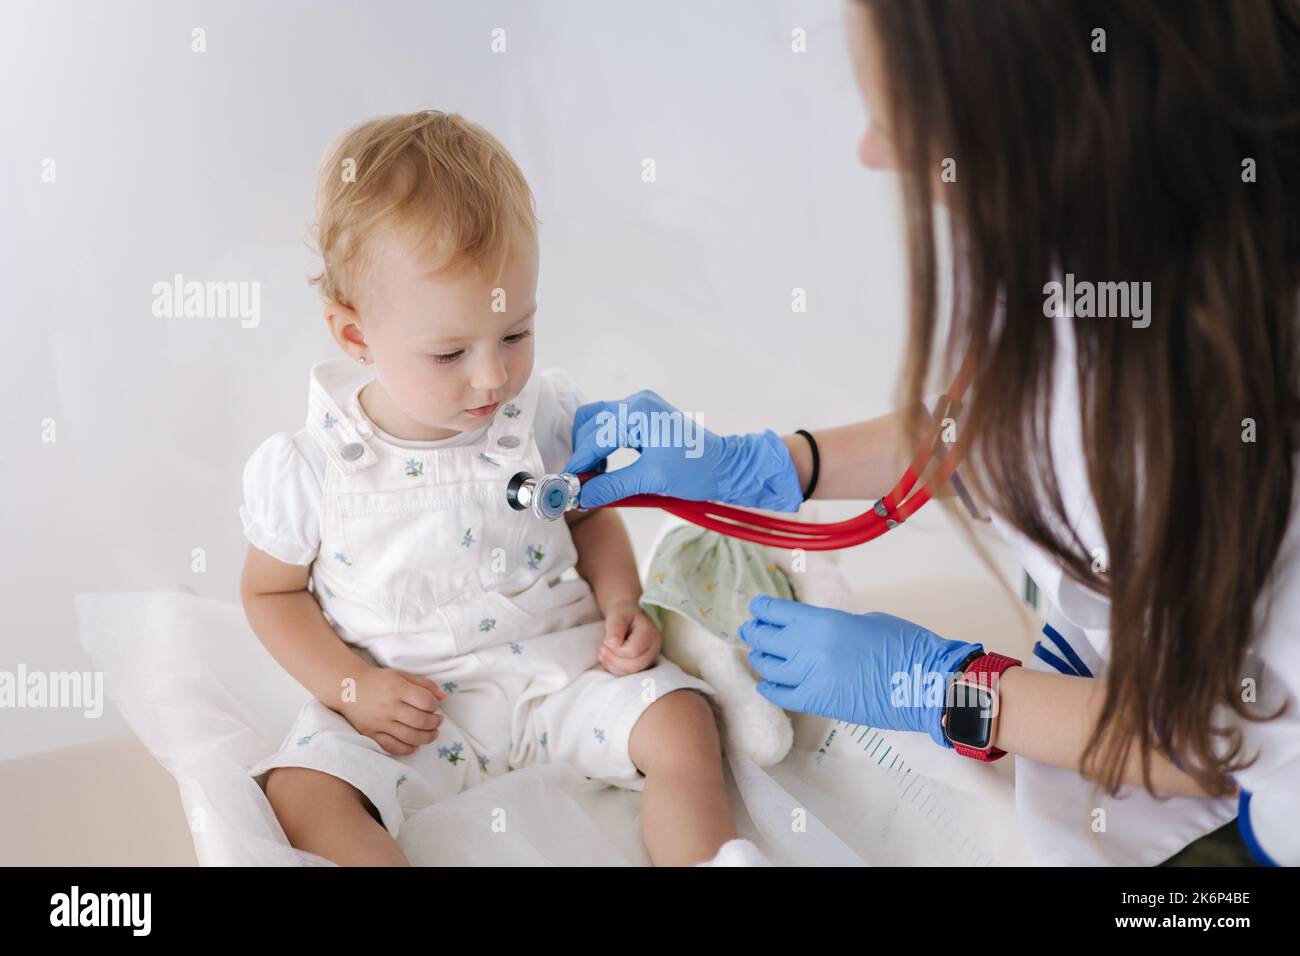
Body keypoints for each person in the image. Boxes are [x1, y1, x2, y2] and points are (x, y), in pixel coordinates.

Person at [565, 0, 1300, 866]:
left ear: (1025, 117)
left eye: (893, 114)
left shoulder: (1192, 410)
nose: (874, 153)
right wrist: (773, 464)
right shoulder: (1133, 239)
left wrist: (957, 691)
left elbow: (1208, 735)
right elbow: (1006, 420)